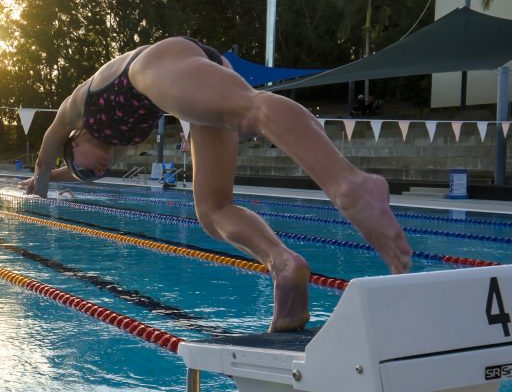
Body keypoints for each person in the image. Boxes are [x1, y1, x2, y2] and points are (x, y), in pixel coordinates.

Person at [21, 36, 412, 331]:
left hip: (154, 64)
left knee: (249, 110)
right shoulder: (115, 145)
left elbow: (46, 148)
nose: (99, 172)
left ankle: (348, 183)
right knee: (212, 210)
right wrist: (58, 178)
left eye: (89, 170)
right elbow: (70, 170)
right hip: (181, 77)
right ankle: (282, 263)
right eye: (95, 177)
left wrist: (39, 181)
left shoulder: (75, 109)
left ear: (75, 143)